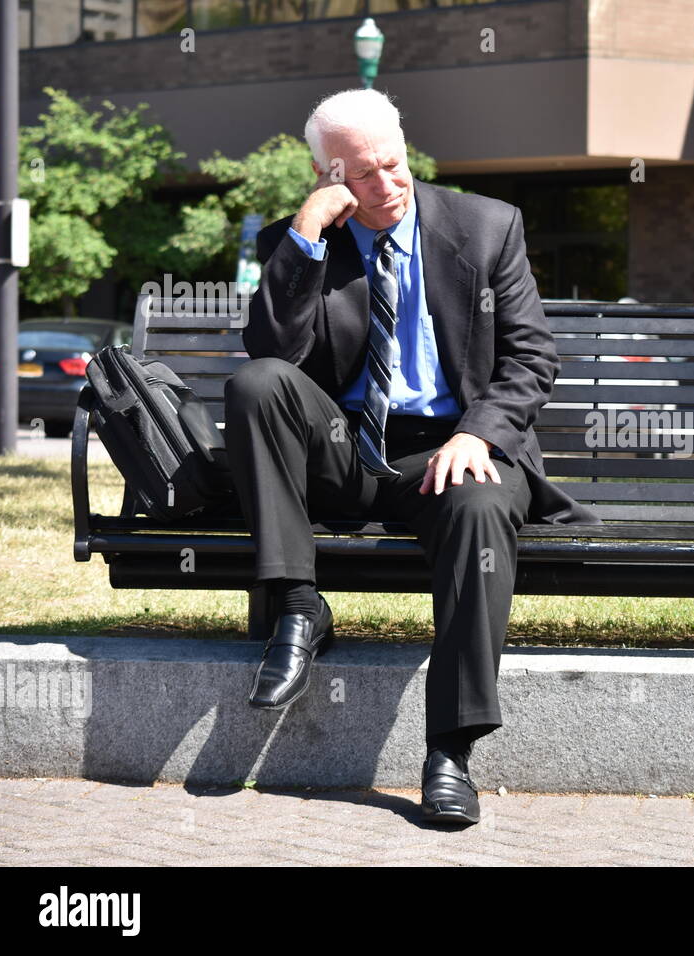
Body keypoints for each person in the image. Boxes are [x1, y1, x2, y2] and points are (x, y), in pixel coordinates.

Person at [224, 88, 602, 826]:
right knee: (257, 382)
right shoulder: (298, 240)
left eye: (393, 163)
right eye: (361, 174)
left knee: (484, 503)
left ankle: (450, 752)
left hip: (449, 454)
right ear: (327, 173)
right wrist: (306, 231)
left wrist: (478, 435)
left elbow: (531, 358)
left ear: (406, 146)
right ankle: (298, 607)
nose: (386, 184)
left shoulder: (486, 226)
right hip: (344, 453)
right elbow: (274, 353)